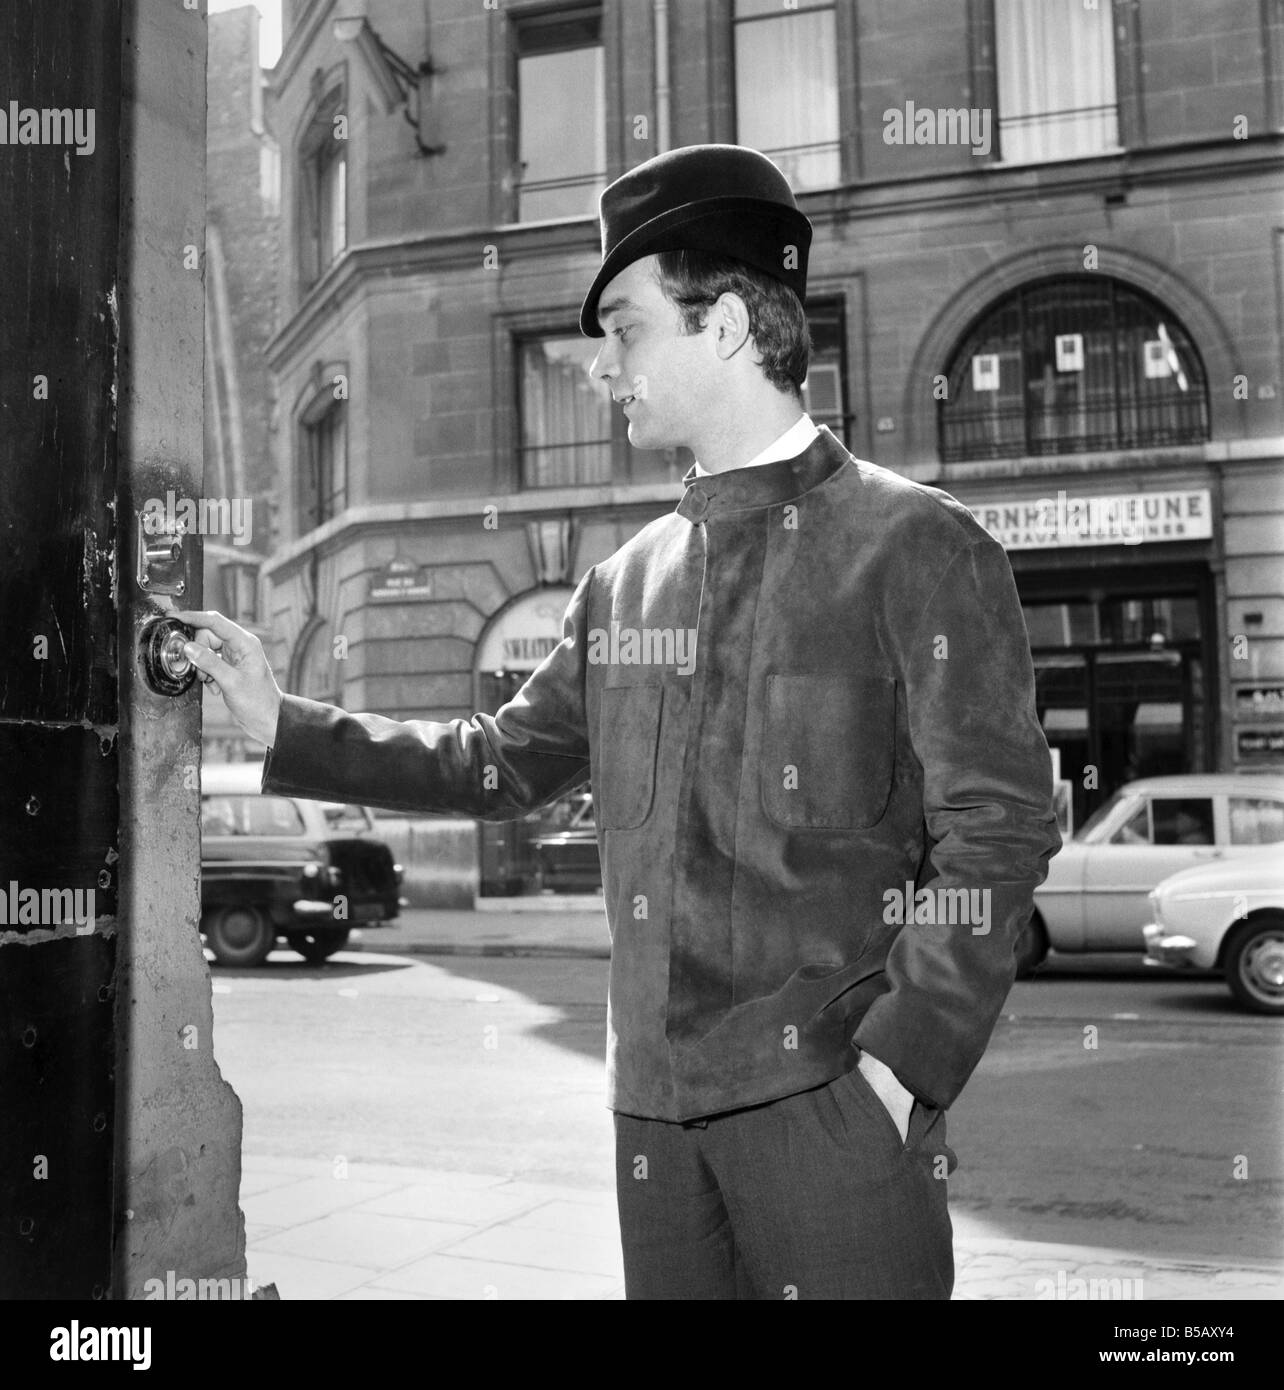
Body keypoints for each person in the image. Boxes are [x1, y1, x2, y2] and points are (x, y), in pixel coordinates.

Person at [176, 143, 1061, 1300]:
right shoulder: (623, 585)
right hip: (652, 1135)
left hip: (836, 1133)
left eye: (629, 329)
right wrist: (277, 719)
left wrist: (899, 1074)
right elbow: (491, 762)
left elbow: (997, 833)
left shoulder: (920, 548)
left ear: (731, 326)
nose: (605, 368)